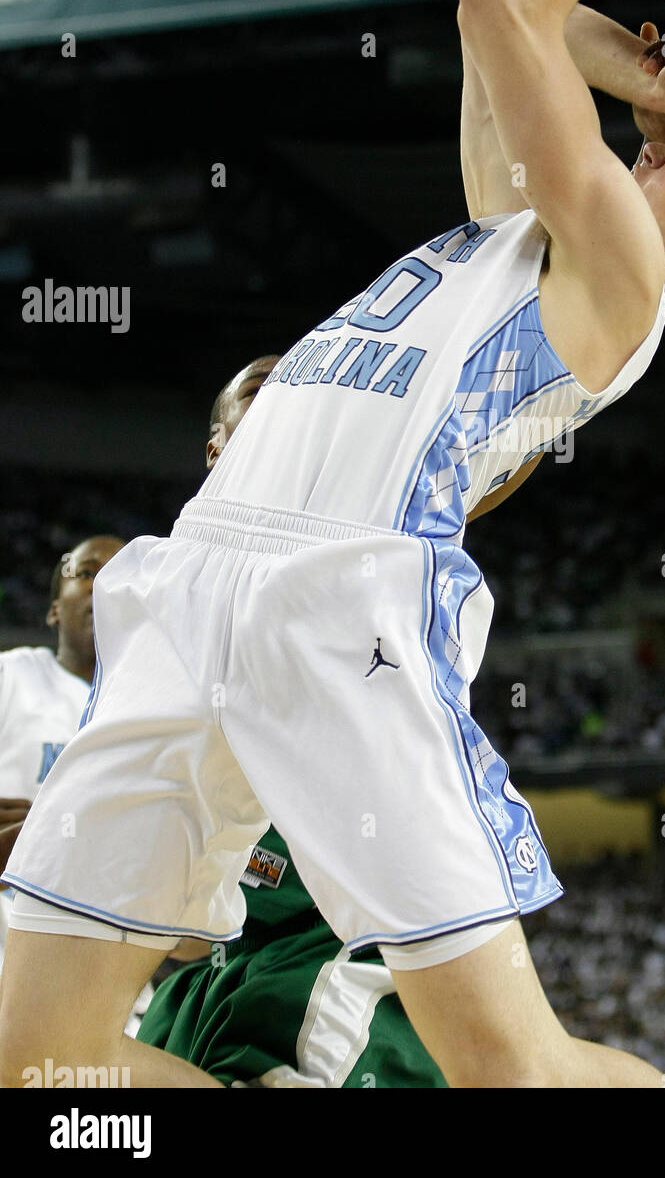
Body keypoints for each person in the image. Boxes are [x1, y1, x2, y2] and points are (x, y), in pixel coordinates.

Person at [0, 0, 665, 1089]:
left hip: (344, 602)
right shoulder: (518, 234)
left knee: (506, 1075)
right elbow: (515, 35)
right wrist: (660, 66)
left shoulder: (619, 273)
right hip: (198, 579)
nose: (654, 144)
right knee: (42, 1067)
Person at [141, 356, 448, 1087]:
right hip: (200, 975)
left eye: (305, 398)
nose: (289, 407)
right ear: (217, 449)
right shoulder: (153, 596)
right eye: (263, 396)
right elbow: (180, 927)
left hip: (336, 960)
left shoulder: (375, 561)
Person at [0, 536, 124, 966]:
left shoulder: (167, 713)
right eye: (88, 573)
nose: (104, 585)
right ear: (54, 609)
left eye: (121, 574)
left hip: (103, 966)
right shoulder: (12, 677)